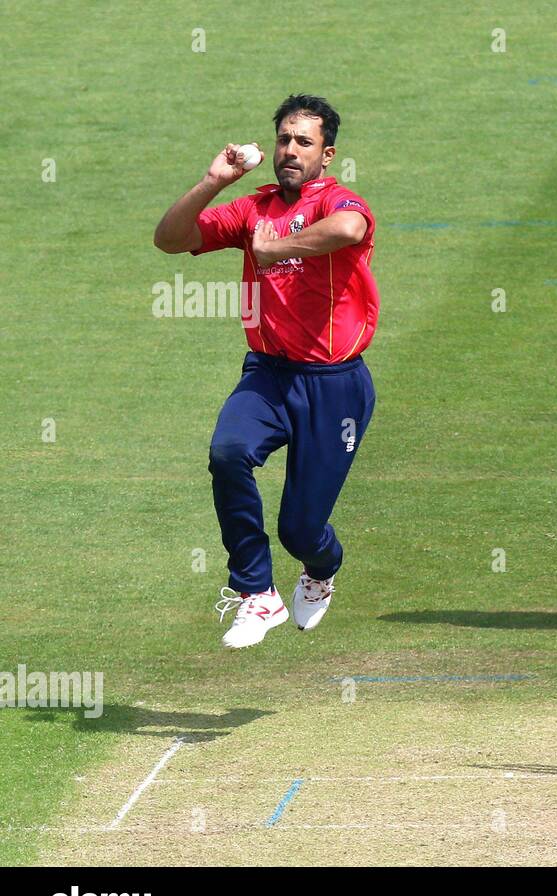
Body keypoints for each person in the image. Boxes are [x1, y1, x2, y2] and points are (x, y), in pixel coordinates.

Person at [153, 94, 379, 648]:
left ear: (328, 154)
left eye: (304, 141)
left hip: (335, 385)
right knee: (227, 453)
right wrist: (214, 181)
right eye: (284, 139)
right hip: (268, 375)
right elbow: (169, 239)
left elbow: (350, 230)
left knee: (300, 530)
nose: (290, 150)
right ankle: (258, 592)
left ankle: (321, 570)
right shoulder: (253, 209)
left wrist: (280, 249)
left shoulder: (338, 200)